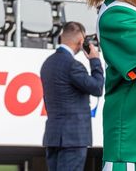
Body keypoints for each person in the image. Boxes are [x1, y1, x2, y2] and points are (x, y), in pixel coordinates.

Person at [40, 21, 104, 171]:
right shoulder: (73, 65)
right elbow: (97, 87)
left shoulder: (47, 64)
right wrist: (95, 60)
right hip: (73, 138)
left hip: (53, 136)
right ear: (81, 41)